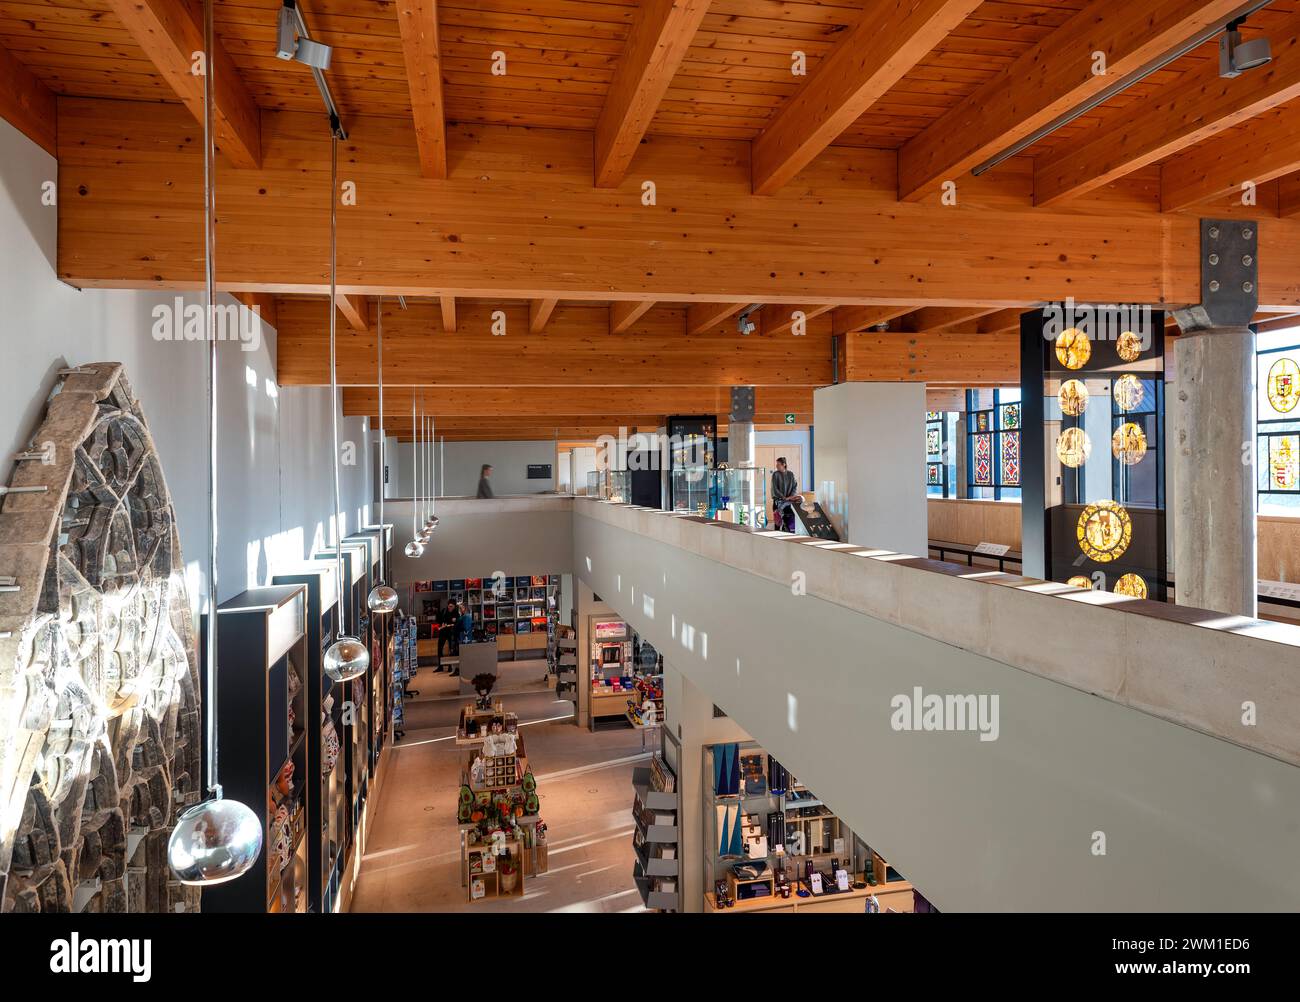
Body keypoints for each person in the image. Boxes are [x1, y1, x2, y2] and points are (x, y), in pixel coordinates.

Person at [771, 457, 799, 533]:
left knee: (787, 521)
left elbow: (795, 486)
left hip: (789, 502)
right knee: (777, 523)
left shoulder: (790, 474)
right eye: (776, 464)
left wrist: (790, 497)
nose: (776, 466)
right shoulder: (775, 474)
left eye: (778, 464)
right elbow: (774, 489)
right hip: (778, 502)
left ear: (784, 465)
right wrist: (784, 497)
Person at [438, 599, 459, 671]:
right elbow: (439, 620)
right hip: (443, 632)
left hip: (451, 633)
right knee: (439, 649)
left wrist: (455, 621)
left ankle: (450, 666)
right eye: (449, 606)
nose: (450, 608)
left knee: (451, 650)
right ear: (447, 605)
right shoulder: (443, 611)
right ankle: (440, 666)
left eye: (452, 606)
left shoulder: (456, 612)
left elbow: (458, 622)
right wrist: (442, 624)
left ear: (454, 606)